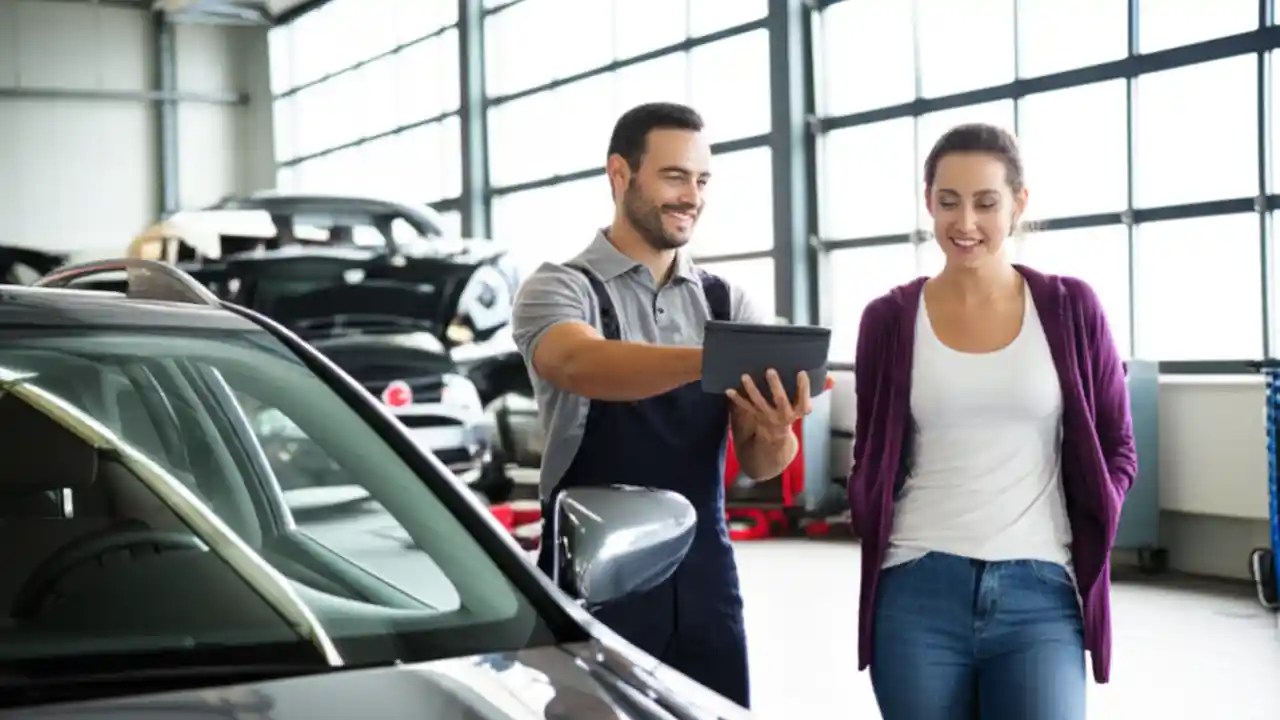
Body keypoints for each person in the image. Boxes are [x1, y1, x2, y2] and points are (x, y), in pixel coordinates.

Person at [511, 102, 823, 709]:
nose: (692, 197)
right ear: (620, 175)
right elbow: (578, 363)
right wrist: (716, 359)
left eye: (702, 181)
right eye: (675, 177)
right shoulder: (560, 287)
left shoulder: (728, 302)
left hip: (704, 575)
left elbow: (762, 464)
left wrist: (776, 425)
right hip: (591, 576)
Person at [845, 122, 1138, 719]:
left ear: (1018, 204)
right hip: (916, 586)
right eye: (948, 201)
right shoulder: (889, 319)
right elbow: (871, 453)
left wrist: (1100, 511)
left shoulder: (1071, 307)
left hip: (1041, 591)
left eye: (986, 202)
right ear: (928, 200)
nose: (965, 223)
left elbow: (1118, 442)